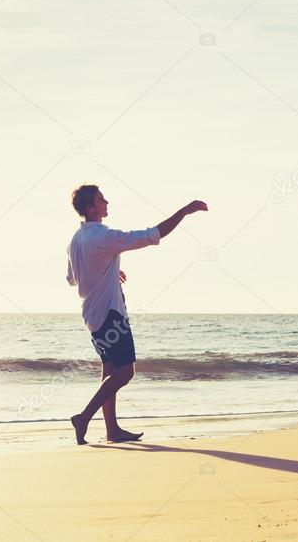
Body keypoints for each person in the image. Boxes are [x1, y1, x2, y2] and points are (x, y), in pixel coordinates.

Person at [66, 184, 207, 444]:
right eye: (101, 199)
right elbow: (151, 235)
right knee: (126, 372)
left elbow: (72, 279)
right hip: (111, 314)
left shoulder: (77, 239)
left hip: (92, 317)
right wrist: (184, 212)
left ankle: (112, 431)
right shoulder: (103, 237)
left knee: (110, 369)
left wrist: (108, 272)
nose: (106, 201)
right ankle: (84, 417)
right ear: (90, 208)